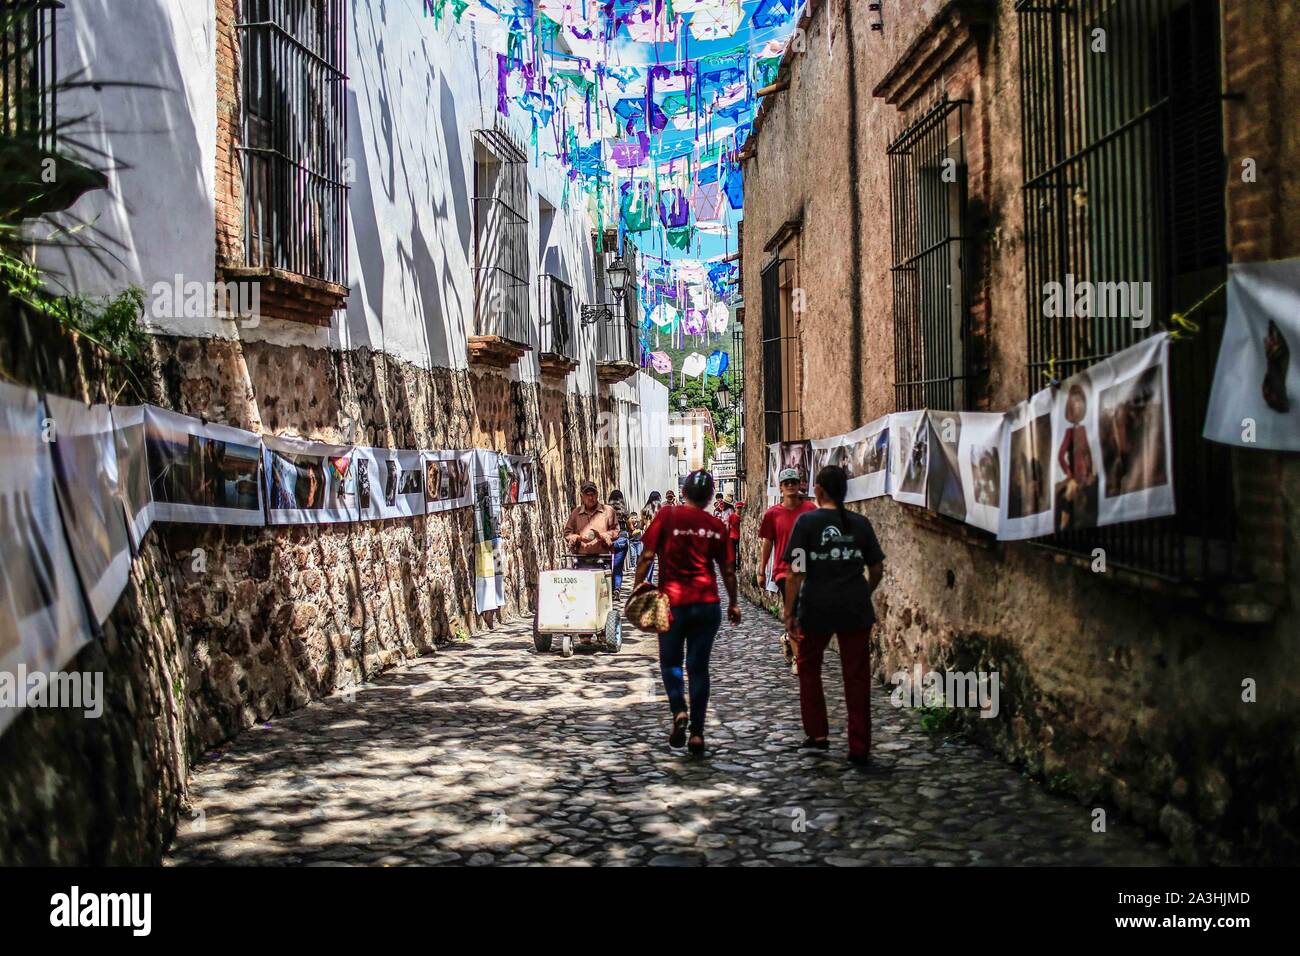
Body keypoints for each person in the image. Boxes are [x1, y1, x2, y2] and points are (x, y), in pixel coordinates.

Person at [781, 465, 885, 767]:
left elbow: (795, 572)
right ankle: (859, 746)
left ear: (819, 491)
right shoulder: (861, 524)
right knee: (856, 675)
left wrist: (789, 612)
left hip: (817, 607)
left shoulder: (807, 523)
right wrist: (862, 593)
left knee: (809, 667)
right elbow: (876, 569)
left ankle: (818, 734)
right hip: (854, 608)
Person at [634, 469, 740, 757]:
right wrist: (733, 602)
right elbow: (728, 570)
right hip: (706, 605)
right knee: (698, 666)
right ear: (709, 498)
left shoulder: (667, 516)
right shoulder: (715, 526)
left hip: (672, 604)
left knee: (670, 662)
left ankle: (679, 710)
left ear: (684, 492)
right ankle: (697, 734)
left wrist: (638, 587)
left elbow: (645, 556)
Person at [757, 468, 816, 674]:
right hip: (784, 571)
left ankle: (787, 637)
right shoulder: (773, 514)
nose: (791, 485)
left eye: (794, 482)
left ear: (800, 484)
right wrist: (761, 571)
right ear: (780, 487)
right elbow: (767, 542)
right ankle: (799, 659)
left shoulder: (810, 509)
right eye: (786, 483)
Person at [563, 480, 618, 566]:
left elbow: (616, 531)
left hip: (603, 557)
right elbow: (567, 533)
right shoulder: (576, 513)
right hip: (581, 558)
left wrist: (603, 535)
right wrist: (577, 538)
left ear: (597, 494)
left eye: (593, 494)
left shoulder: (608, 511)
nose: (590, 498)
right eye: (587, 495)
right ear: (582, 497)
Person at [608, 489, 631, 593]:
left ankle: (609, 589)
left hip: (610, 540)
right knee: (618, 566)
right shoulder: (625, 512)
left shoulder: (606, 510)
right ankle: (617, 589)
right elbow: (630, 527)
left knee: (608, 566)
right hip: (622, 539)